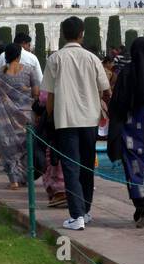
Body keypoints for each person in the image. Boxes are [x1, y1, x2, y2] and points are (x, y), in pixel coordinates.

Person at [42, 15, 111, 231]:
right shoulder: (92, 59)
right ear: (82, 34)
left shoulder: (55, 59)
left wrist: (50, 117)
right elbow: (104, 90)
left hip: (65, 119)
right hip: (89, 119)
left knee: (71, 167)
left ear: (63, 34)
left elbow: (50, 95)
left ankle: (77, 215)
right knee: (86, 166)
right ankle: (86, 211)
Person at [108, 37, 144, 226]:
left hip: (131, 129)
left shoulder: (127, 72)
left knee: (133, 166)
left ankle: (141, 204)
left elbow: (118, 102)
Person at [0, 43, 40, 189]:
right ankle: (25, 177)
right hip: (26, 115)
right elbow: (36, 93)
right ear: (19, 55)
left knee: (9, 147)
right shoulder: (29, 70)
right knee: (26, 146)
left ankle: (14, 180)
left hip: (5, 117)